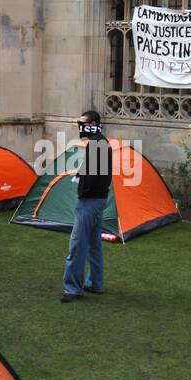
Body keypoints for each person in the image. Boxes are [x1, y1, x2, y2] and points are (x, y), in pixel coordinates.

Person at [62, 111, 112, 302]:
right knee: (94, 244)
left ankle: (73, 288)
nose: (80, 127)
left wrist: (83, 190)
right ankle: (95, 283)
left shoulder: (97, 146)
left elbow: (93, 179)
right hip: (98, 200)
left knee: (78, 245)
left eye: (83, 124)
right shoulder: (101, 143)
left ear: (93, 124)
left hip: (90, 202)